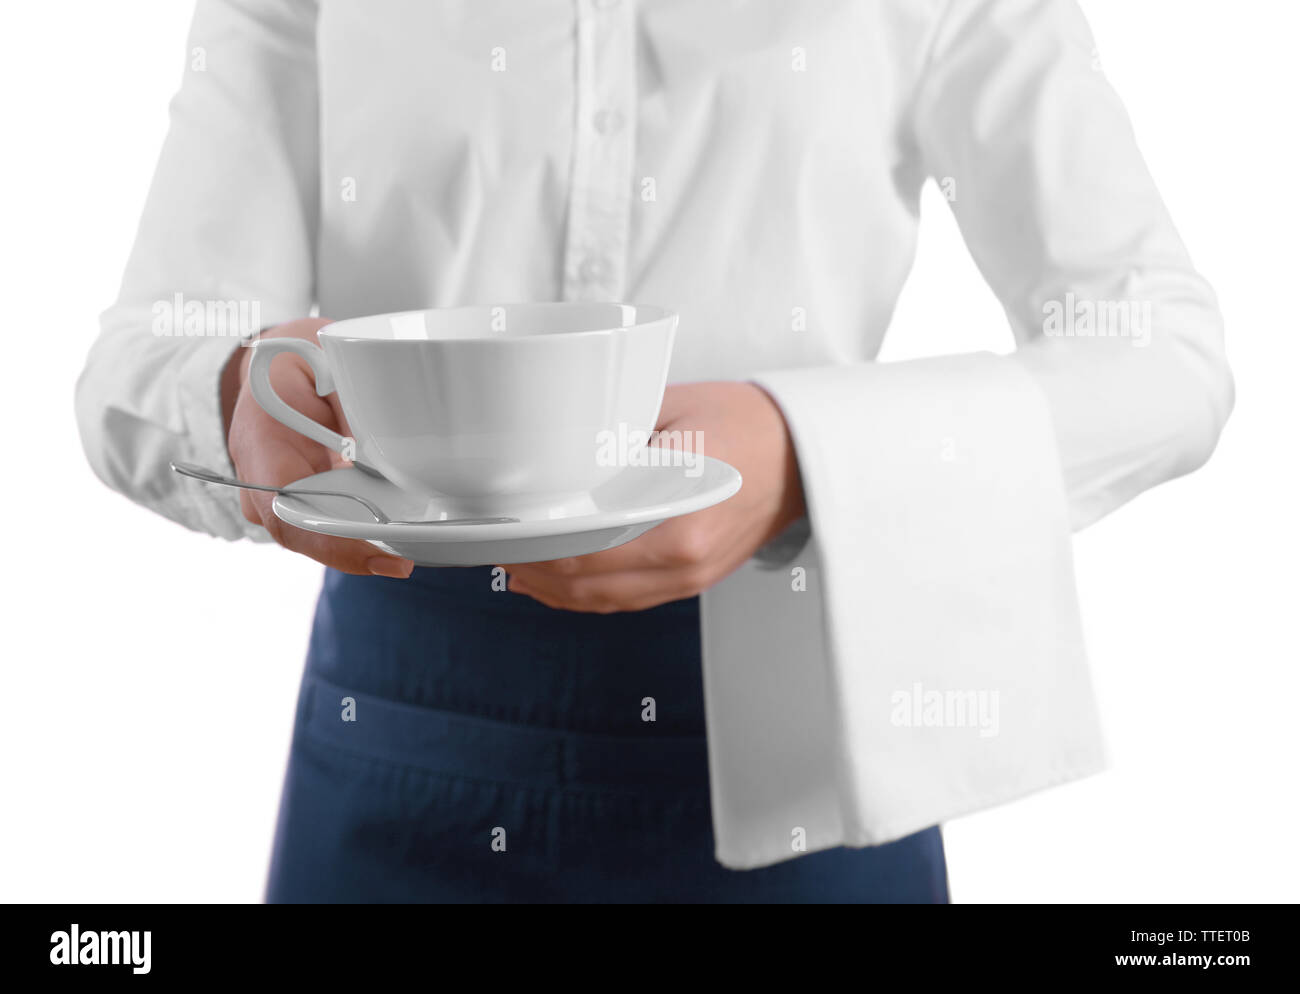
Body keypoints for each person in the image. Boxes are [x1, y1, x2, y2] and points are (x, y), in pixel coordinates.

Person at [76, 0, 1232, 902]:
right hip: (397, 732)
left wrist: (795, 451)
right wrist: (231, 389)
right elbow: (142, 351)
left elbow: (1161, 356)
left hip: (802, 752)